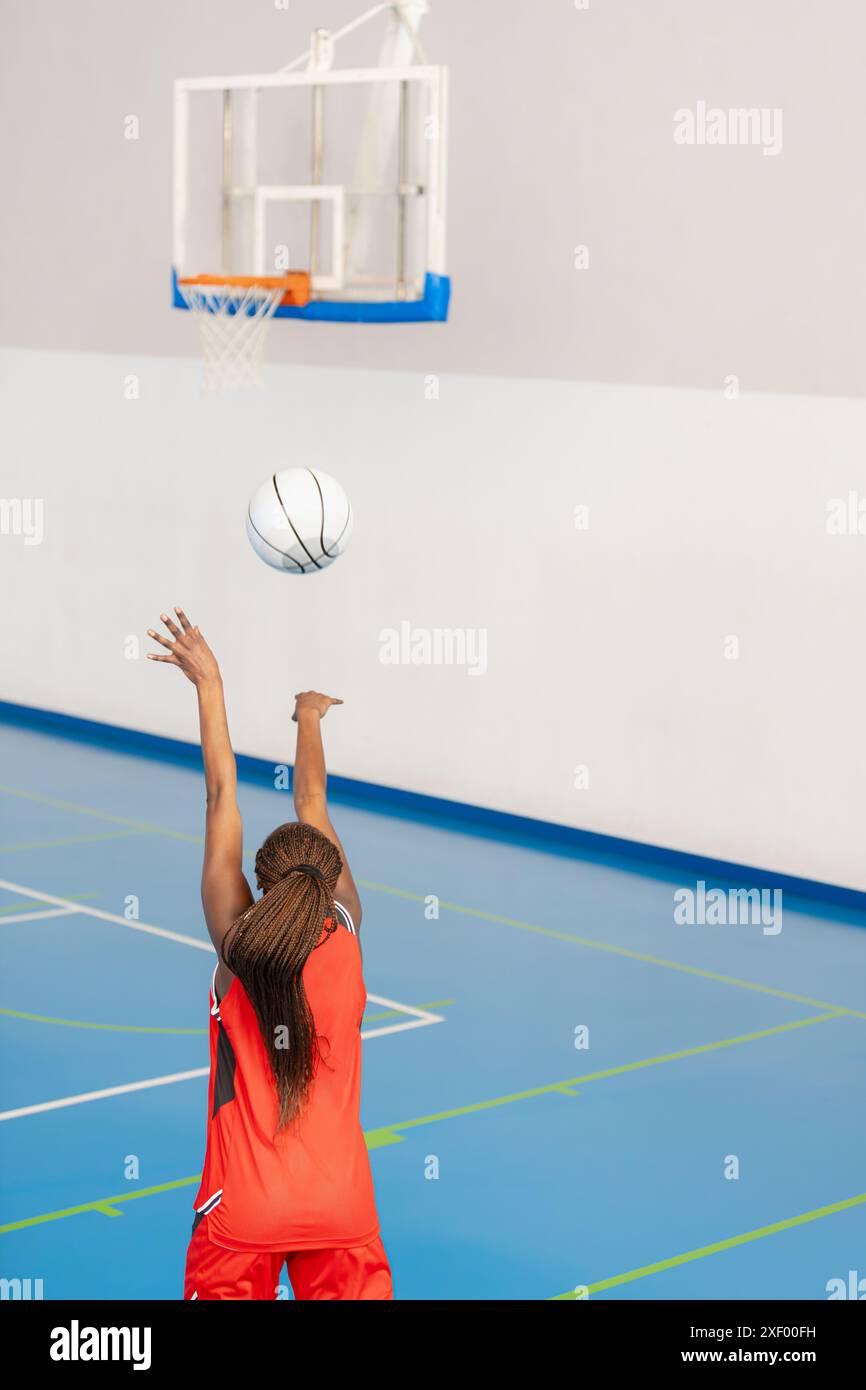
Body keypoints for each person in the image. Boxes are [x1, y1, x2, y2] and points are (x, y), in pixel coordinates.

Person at [147, 608, 392, 1300]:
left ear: (259, 879)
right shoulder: (347, 928)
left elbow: (221, 794)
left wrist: (210, 684)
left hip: (245, 1208)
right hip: (342, 1206)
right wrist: (308, 715)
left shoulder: (237, 949)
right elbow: (311, 795)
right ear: (329, 880)